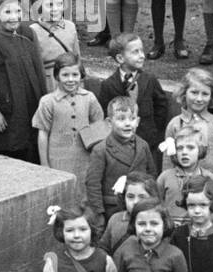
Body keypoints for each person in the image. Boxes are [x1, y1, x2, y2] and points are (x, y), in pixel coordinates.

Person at [0, 0, 45, 161]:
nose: (13, 17)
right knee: (9, 150)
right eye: (7, 12)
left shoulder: (27, 38)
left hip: (28, 105)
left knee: (30, 148)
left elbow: (39, 72)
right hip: (7, 108)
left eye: (17, 11)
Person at [33, 54, 103, 204]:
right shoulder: (48, 102)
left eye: (75, 74)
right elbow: (43, 133)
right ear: (57, 76)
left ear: (81, 76)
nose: (70, 79)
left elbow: (99, 125)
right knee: (60, 199)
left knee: (83, 197)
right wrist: (45, 165)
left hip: (84, 159)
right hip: (57, 160)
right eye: (65, 75)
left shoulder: (89, 98)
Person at [94, 32, 169, 167]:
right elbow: (104, 113)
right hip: (119, 145)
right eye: (135, 52)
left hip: (147, 142)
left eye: (142, 51)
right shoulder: (109, 85)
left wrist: (154, 132)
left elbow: (161, 106)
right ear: (120, 58)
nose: (142, 55)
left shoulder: (149, 80)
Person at [85, 96, 155, 233]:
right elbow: (93, 184)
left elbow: (151, 175)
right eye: (121, 119)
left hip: (140, 205)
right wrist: (98, 214)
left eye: (132, 118)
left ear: (138, 121)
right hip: (112, 209)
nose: (128, 124)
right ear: (109, 122)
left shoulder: (143, 145)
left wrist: (152, 202)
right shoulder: (101, 149)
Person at [113, 200, 190, 272]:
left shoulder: (175, 255)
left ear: (165, 225)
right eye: (142, 224)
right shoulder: (126, 251)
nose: (148, 229)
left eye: (154, 223)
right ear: (134, 225)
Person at [163, 68, 213, 179]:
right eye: (194, 92)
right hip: (182, 181)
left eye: (205, 94)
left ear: (211, 97)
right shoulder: (175, 124)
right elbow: (168, 160)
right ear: (184, 93)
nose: (199, 99)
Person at [156, 125, 213, 226]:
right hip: (171, 232)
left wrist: (205, 220)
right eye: (179, 148)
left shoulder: (210, 178)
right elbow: (156, 206)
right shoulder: (164, 178)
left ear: (200, 150)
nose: (184, 152)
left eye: (190, 147)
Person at [28, 0, 79, 92]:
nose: (55, 9)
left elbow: (77, 58)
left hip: (70, 81)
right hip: (47, 84)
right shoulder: (33, 31)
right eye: (50, 5)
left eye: (59, 4)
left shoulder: (70, 27)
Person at [99, 173, 160, 255]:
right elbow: (103, 248)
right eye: (130, 197)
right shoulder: (116, 219)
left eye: (142, 197)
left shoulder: (158, 220)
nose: (135, 202)